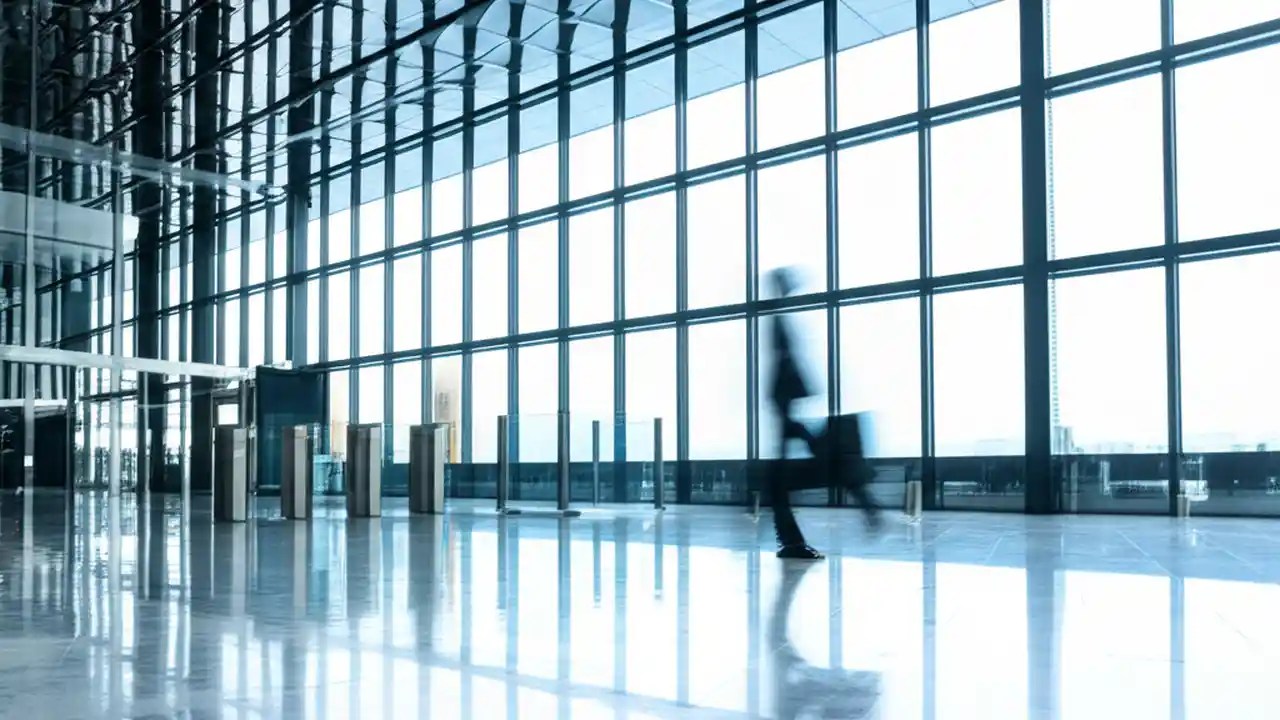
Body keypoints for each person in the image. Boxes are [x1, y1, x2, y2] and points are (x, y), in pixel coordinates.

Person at [766, 268, 880, 560]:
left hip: (785, 403)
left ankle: (793, 540)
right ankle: (860, 499)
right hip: (785, 403)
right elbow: (785, 359)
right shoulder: (779, 317)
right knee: (808, 463)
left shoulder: (778, 316)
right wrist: (801, 389)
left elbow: (784, 360)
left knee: (793, 470)